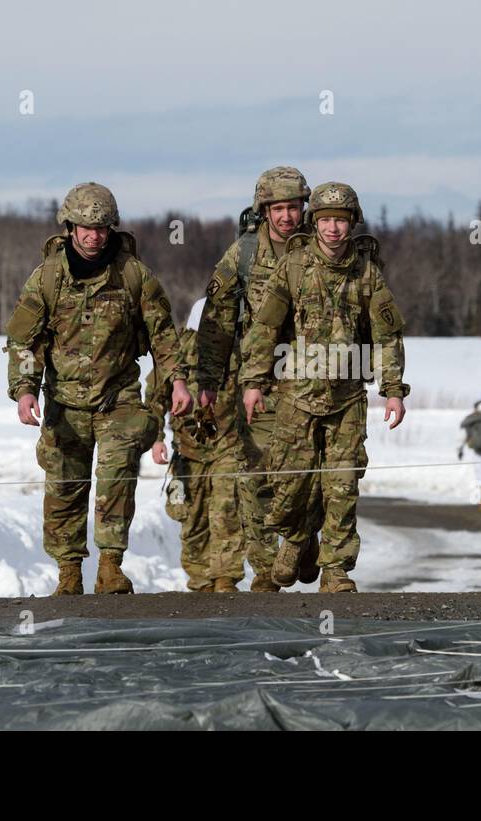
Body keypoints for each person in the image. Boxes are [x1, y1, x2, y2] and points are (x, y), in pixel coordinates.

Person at [4, 182, 189, 596]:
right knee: (65, 487)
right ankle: (69, 574)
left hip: (118, 397)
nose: (93, 236)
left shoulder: (133, 276)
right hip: (65, 402)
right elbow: (24, 341)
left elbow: (163, 335)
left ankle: (110, 567)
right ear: (69, 228)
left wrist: (177, 379)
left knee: (116, 477)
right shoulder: (47, 279)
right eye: (85, 228)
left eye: (102, 228)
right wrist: (25, 389)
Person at [240, 181, 410, 592]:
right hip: (296, 395)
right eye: (326, 220)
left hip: (347, 397)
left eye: (341, 220)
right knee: (290, 483)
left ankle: (336, 570)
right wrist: (253, 383)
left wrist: (392, 389)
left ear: (352, 224)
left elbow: (387, 335)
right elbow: (265, 327)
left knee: (342, 484)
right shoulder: (294, 267)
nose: (333, 229)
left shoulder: (366, 272)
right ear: (314, 222)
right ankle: (296, 539)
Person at [197, 166, 316, 591]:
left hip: (315, 379)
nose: (287, 216)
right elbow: (217, 322)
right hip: (260, 381)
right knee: (256, 474)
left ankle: (303, 540)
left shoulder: (326, 247)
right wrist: (208, 380)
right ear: (263, 210)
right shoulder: (243, 255)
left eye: (294, 206)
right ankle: (266, 568)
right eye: (278, 208)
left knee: (310, 473)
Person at [150, 299, 247, 592]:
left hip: (228, 444)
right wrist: (156, 438)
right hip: (187, 450)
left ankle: (224, 577)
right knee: (190, 517)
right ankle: (200, 581)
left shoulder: (240, 350)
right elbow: (155, 395)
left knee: (226, 509)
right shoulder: (177, 353)